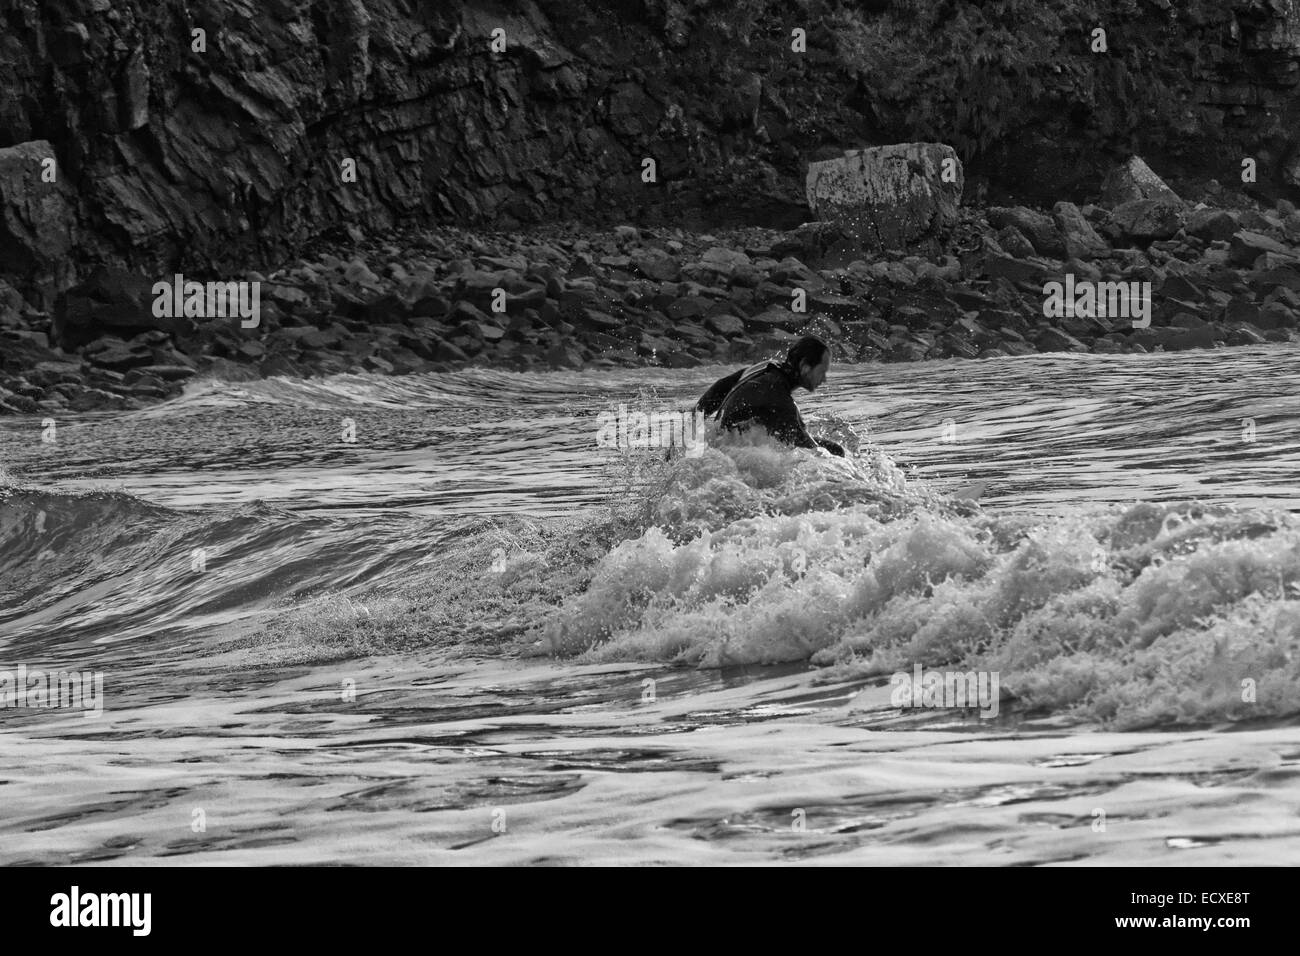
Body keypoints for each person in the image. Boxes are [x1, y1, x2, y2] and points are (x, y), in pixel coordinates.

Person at [696, 335, 846, 456]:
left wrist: (690, 427)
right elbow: (813, 454)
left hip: (719, 440)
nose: (824, 379)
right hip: (733, 453)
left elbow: (719, 388)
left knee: (832, 449)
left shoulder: (765, 367)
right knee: (835, 452)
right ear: (805, 367)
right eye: (822, 372)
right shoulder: (781, 401)